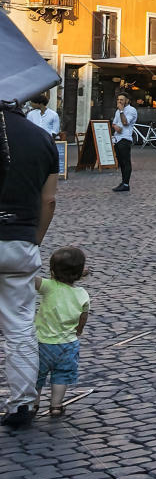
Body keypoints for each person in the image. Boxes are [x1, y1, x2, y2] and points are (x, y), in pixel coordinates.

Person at [1, 97, 60, 429]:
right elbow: (49, 199)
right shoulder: (42, 138)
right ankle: (21, 405)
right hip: (19, 240)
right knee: (20, 326)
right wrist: (33, 239)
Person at [33, 245, 88, 418]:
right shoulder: (82, 294)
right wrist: (78, 330)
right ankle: (56, 406)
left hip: (43, 343)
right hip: (68, 345)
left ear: (52, 271)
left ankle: (33, 404)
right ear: (79, 274)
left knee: (37, 376)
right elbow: (83, 316)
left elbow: (31, 280)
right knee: (61, 375)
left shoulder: (48, 286)